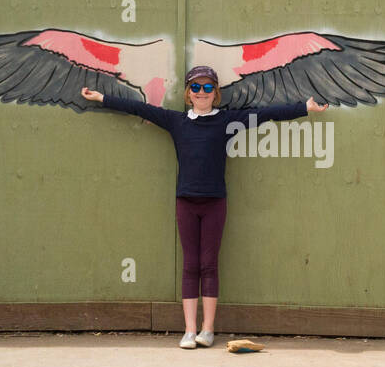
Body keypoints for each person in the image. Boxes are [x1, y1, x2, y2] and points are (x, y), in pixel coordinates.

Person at [82, 67, 327, 348]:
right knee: (191, 265)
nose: (202, 93)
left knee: (209, 265)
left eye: (208, 88)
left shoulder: (227, 120)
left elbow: (265, 114)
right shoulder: (176, 121)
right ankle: (189, 330)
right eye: (196, 88)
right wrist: (102, 98)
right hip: (186, 201)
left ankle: (207, 330)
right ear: (188, 93)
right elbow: (140, 108)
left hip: (214, 202)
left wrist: (303, 108)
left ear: (215, 93)